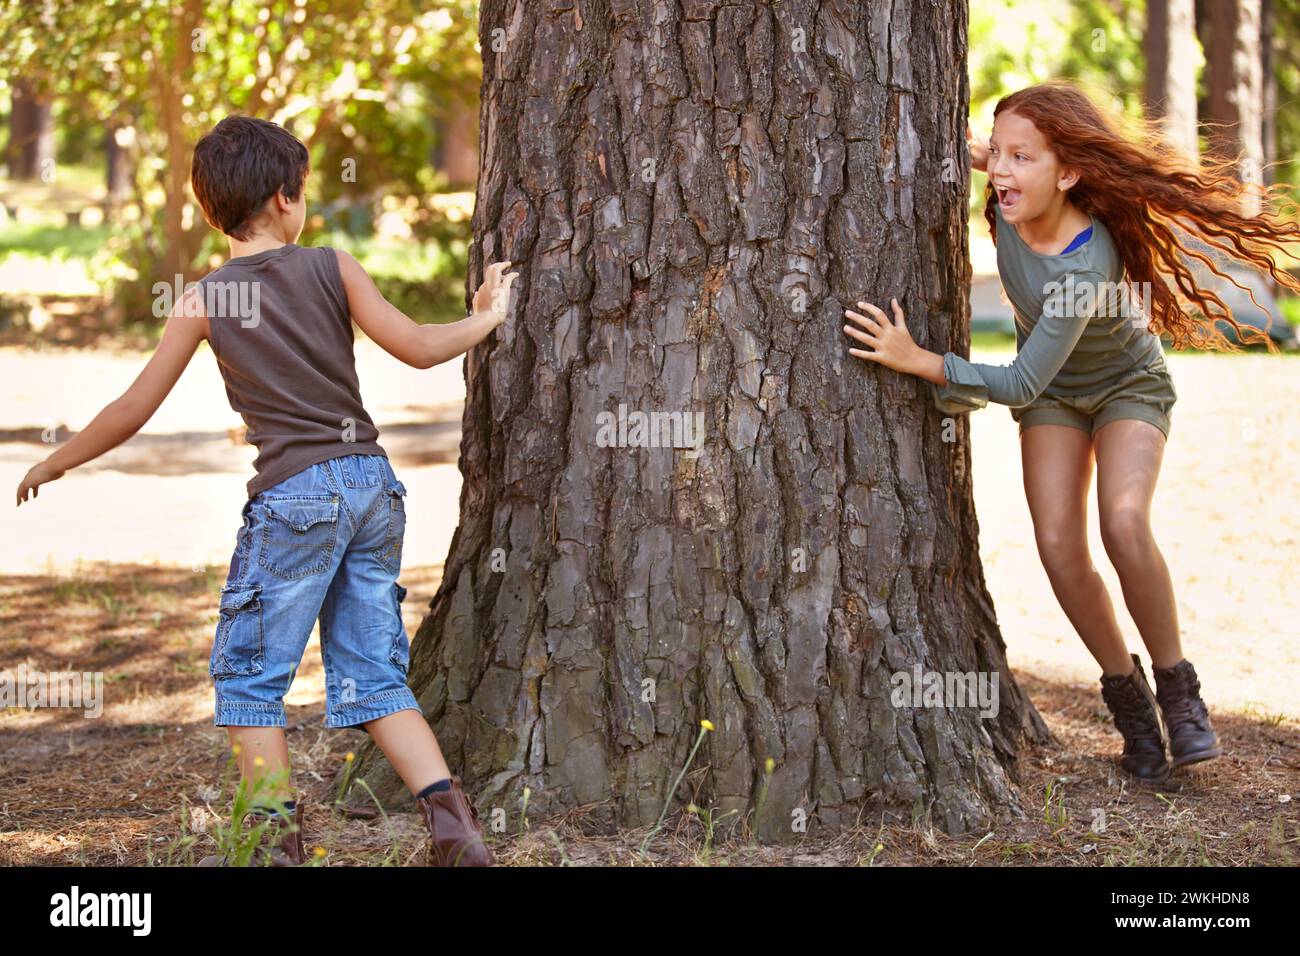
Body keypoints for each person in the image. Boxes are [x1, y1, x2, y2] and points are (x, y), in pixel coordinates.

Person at [15, 114, 517, 863]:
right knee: (374, 670)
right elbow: (416, 348)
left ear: (215, 209)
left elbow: (132, 407)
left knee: (249, 677)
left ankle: (276, 843)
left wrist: (57, 460)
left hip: (294, 497)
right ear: (286, 199)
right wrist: (487, 318)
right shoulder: (333, 266)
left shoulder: (204, 300)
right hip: (372, 486)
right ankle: (456, 829)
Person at [843, 80, 1300, 784]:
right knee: (1059, 546)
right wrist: (990, 151)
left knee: (1122, 521)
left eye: (1022, 159)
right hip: (1057, 395)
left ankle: (1179, 693)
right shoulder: (1013, 185)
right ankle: (1130, 704)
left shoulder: (1087, 262)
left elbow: (1020, 381)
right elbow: (995, 156)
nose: (1001, 172)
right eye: (997, 155)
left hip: (1124, 387)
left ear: (1069, 173)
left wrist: (920, 361)